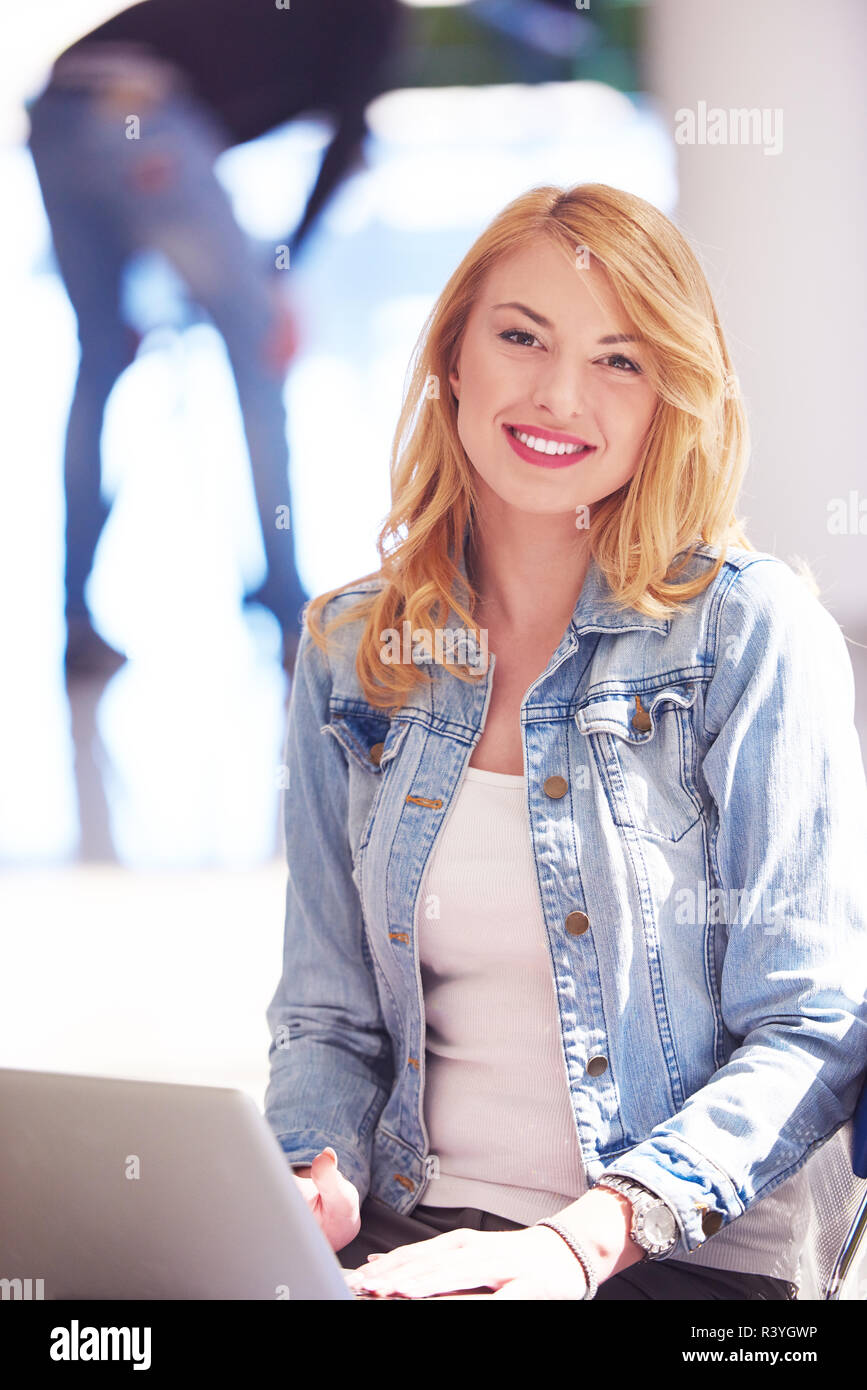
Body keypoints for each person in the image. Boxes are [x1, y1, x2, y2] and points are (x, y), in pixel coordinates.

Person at [264, 183, 867, 1299]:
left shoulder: (750, 635)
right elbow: (326, 1016)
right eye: (521, 337)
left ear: (669, 399)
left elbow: (814, 1031)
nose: (558, 393)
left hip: (681, 1260)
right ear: (454, 359)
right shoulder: (353, 649)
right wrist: (318, 1171)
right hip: (416, 1238)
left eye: (619, 360)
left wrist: (577, 1243)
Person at [26, 0, 402, 677]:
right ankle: (291, 612)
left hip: (57, 108)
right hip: (144, 107)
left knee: (104, 353)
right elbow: (346, 140)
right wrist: (283, 271)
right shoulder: (375, 14)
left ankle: (75, 621)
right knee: (260, 344)